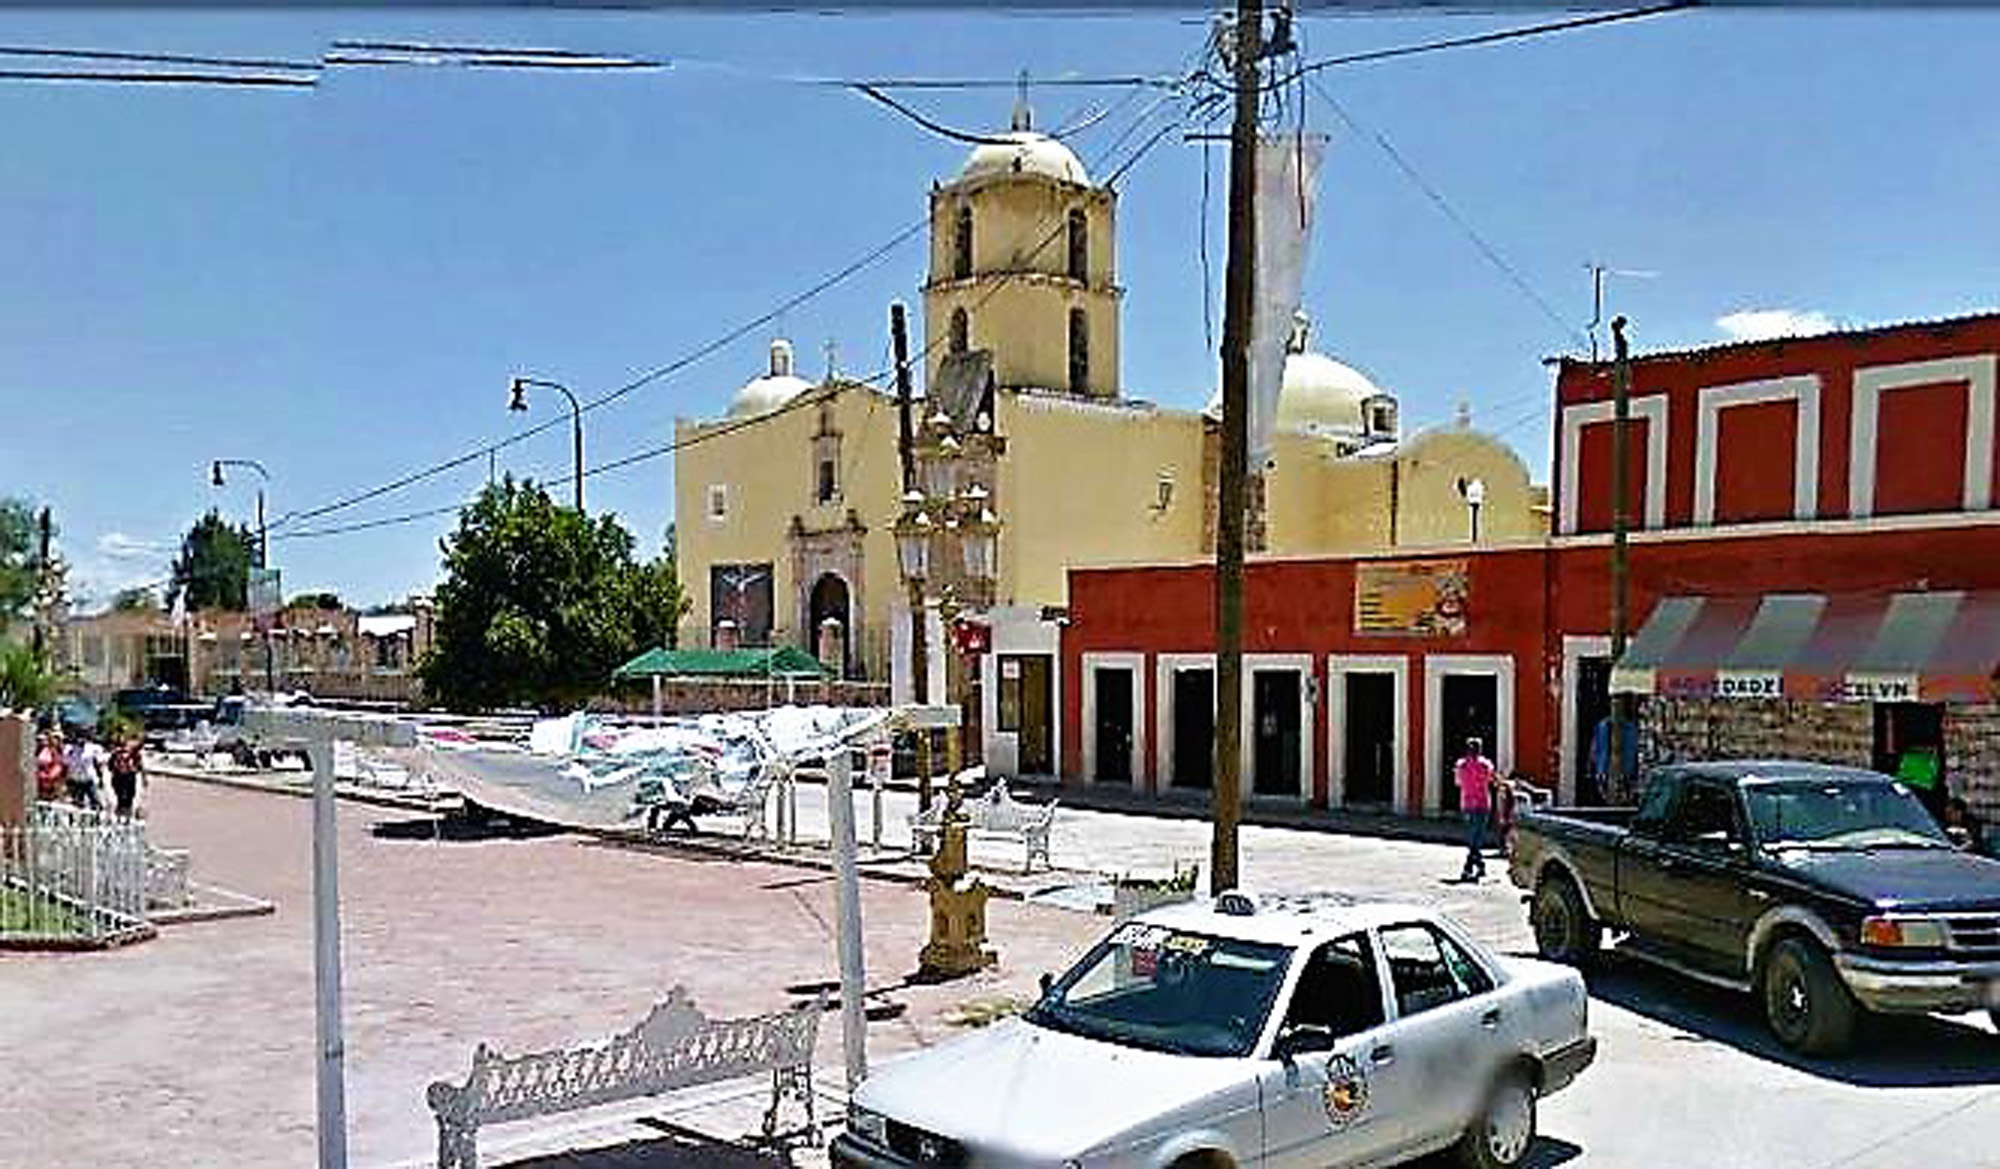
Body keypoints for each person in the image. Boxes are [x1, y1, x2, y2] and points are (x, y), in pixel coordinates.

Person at [1455, 737, 1496, 882]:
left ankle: (1471, 867)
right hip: (1483, 803)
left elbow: (1458, 782)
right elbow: (1491, 781)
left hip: (1467, 804)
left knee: (1473, 837)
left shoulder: (1461, 765)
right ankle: (1475, 866)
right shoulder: (1486, 765)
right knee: (1477, 837)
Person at [62, 729, 107, 810]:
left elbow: (99, 764)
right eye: (79, 738)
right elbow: (65, 764)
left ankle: (96, 819)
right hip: (75, 780)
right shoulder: (69, 749)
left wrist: (101, 778)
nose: (80, 740)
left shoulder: (93, 748)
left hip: (89, 779)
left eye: (83, 738)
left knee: (95, 801)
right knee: (76, 804)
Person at [106, 732, 144, 819]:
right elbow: (110, 765)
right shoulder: (116, 753)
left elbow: (139, 764)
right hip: (119, 775)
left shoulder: (133, 752)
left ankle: (127, 813)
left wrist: (140, 773)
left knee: (130, 794)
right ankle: (121, 812)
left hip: (129, 775)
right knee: (120, 795)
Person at [34, 727, 67, 804]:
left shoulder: (60, 753)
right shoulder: (43, 750)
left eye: (57, 738)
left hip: (53, 784)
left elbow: (60, 768)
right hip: (40, 783)